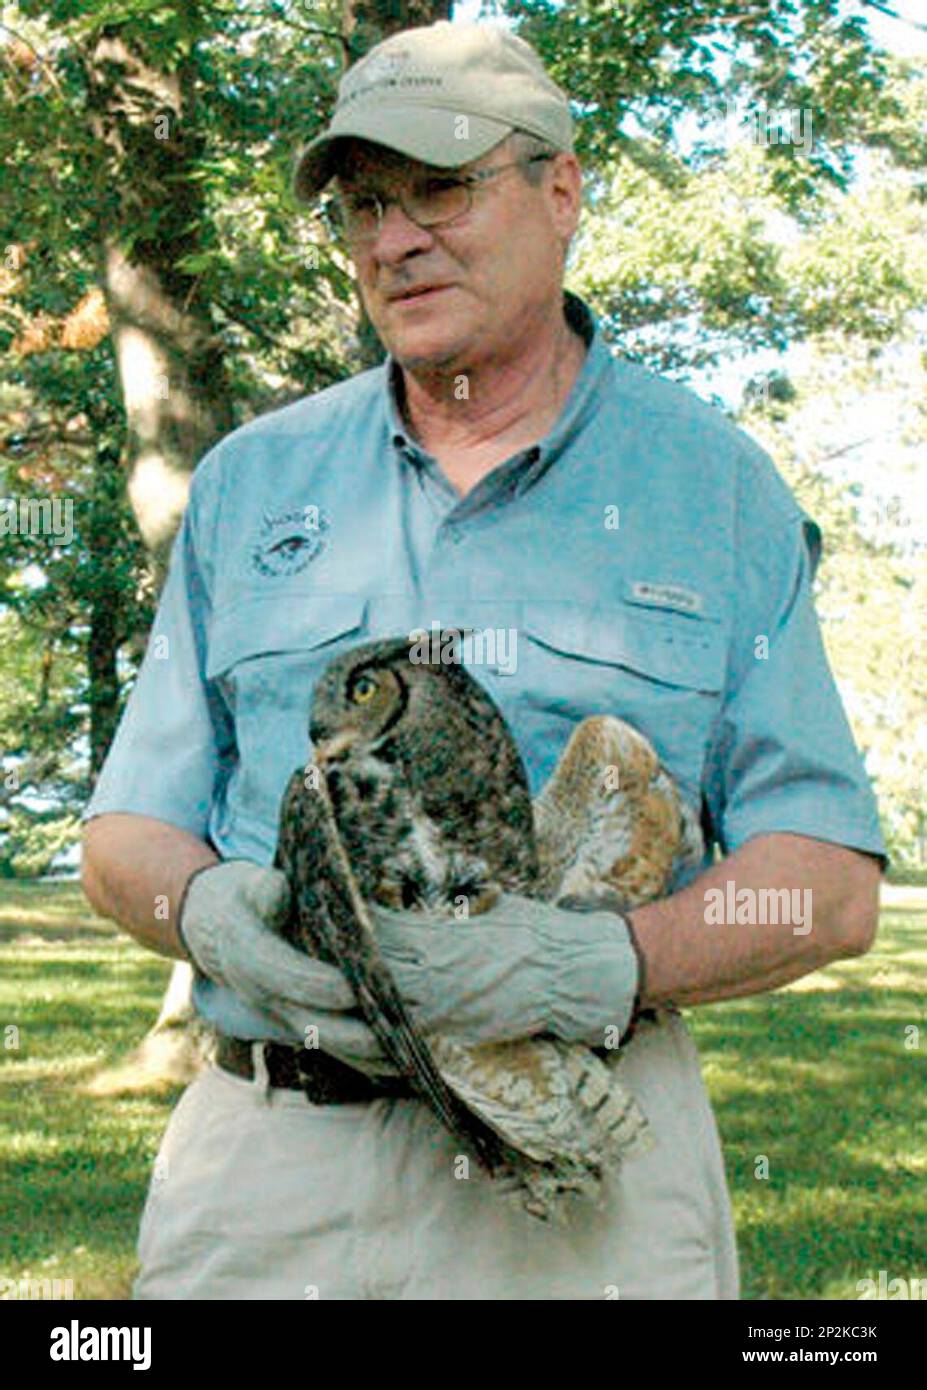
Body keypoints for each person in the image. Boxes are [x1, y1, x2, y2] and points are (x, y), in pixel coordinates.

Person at [81, 19, 886, 1300]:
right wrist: (216, 920)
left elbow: (824, 884)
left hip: (581, 1166)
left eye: (442, 187)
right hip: (273, 1166)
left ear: (560, 192)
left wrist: (599, 965)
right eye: (362, 206)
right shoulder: (253, 482)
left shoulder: (709, 486)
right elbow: (127, 834)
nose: (394, 240)